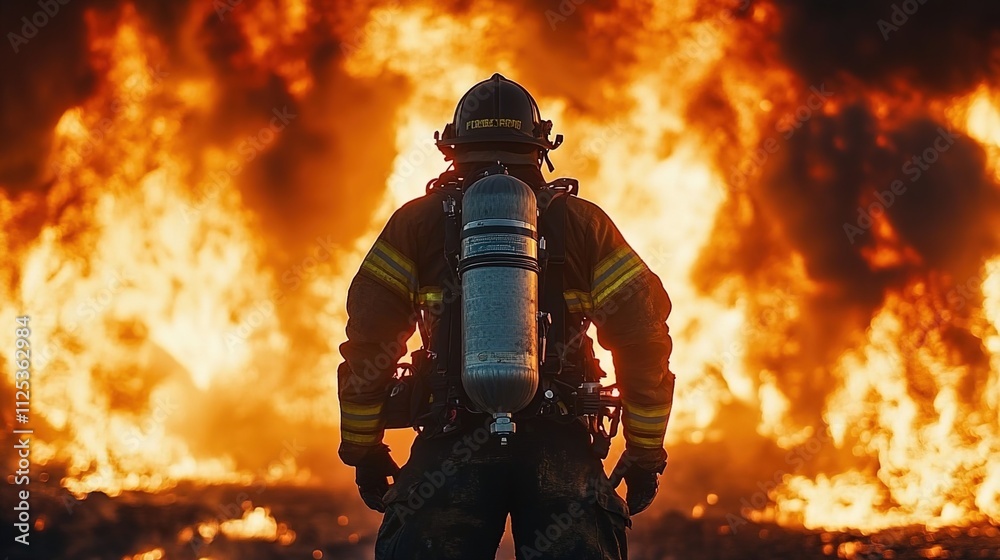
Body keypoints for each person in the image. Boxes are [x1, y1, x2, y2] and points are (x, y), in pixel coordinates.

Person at [337, 73, 675, 559]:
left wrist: (364, 450)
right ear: (541, 146)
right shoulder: (585, 226)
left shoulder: (416, 224)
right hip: (561, 447)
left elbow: (370, 341)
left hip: (451, 448)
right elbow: (644, 340)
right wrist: (644, 455)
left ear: (451, 147)